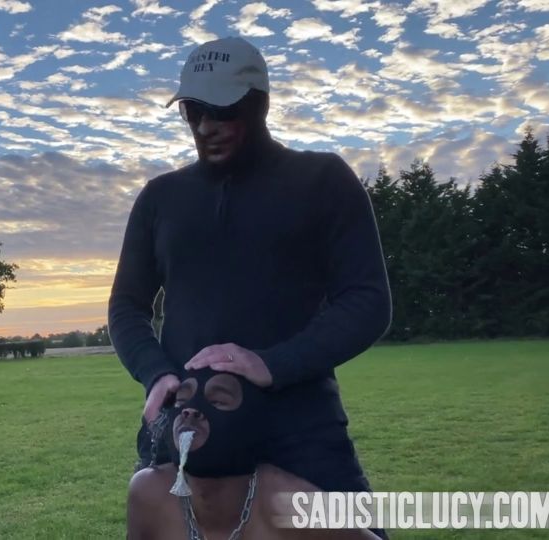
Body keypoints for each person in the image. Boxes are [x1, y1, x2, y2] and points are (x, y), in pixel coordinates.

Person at [108, 36, 392, 538]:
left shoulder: (321, 180)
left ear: (260, 104)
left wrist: (273, 364)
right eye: (193, 111)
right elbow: (127, 305)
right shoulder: (160, 197)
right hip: (187, 422)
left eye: (222, 110)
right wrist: (156, 374)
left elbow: (368, 300)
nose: (205, 127)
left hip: (297, 426)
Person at [127, 368, 380, 539]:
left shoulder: (289, 500)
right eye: (182, 401)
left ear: (248, 425)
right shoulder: (148, 492)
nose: (190, 411)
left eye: (218, 401)